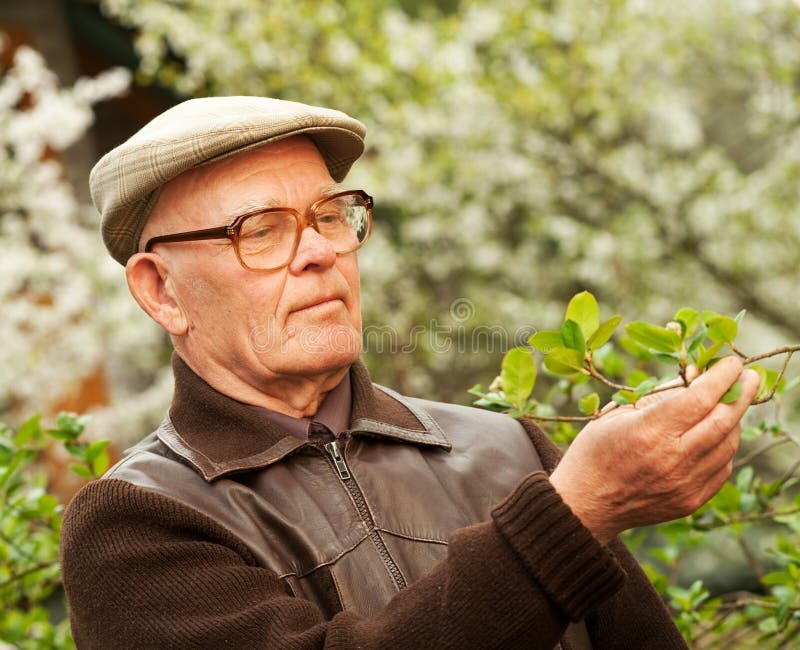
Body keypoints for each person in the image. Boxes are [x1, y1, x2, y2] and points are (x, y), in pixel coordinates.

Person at [60, 96, 760, 649]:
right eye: (261, 230)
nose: (320, 252)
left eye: (330, 216)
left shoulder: (508, 449)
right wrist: (576, 512)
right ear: (161, 291)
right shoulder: (135, 522)